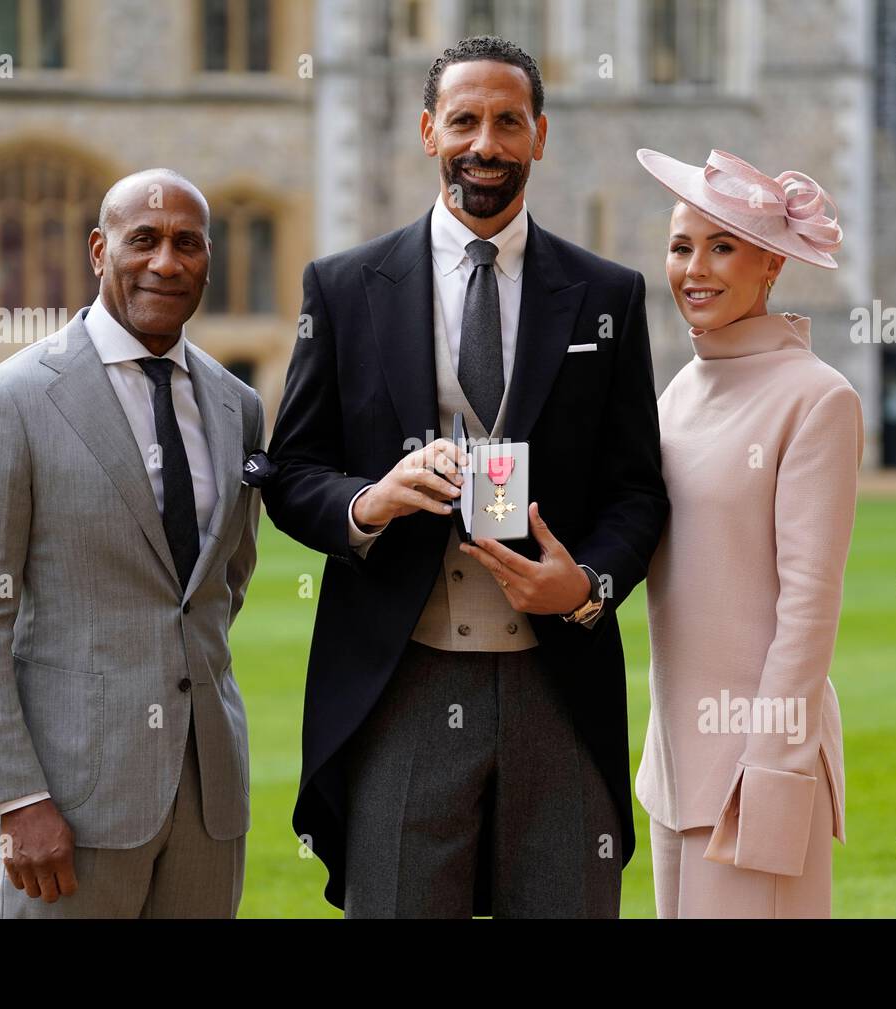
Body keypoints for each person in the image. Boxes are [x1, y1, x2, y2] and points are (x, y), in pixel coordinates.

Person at [262, 37, 668, 918]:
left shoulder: (609, 295)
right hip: (403, 679)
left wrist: (588, 585)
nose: (485, 143)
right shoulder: (341, 288)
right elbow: (290, 470)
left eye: (507, 122)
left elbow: (639, 489)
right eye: (465, 120)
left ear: (540, 136)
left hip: (558, 680)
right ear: (427, 131)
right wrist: (368, 502)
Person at [0, 168, 265, 918]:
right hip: (65, 802)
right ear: (98, 249)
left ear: (209, 258)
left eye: (188, 243)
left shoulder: (238, 406)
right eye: (142, 240)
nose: (166, 262)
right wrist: (17, 795)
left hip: (208, 798)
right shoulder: (4, 402)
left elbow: (220, 588)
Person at [634, 148, 863, 918]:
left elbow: (809, 608)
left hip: (754, 775)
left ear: (772, 264)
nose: (695, 268)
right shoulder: (681, 388)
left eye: (721, 246)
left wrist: (769, 774)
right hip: (674, 771)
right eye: (681, 245)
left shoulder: (818, 399)